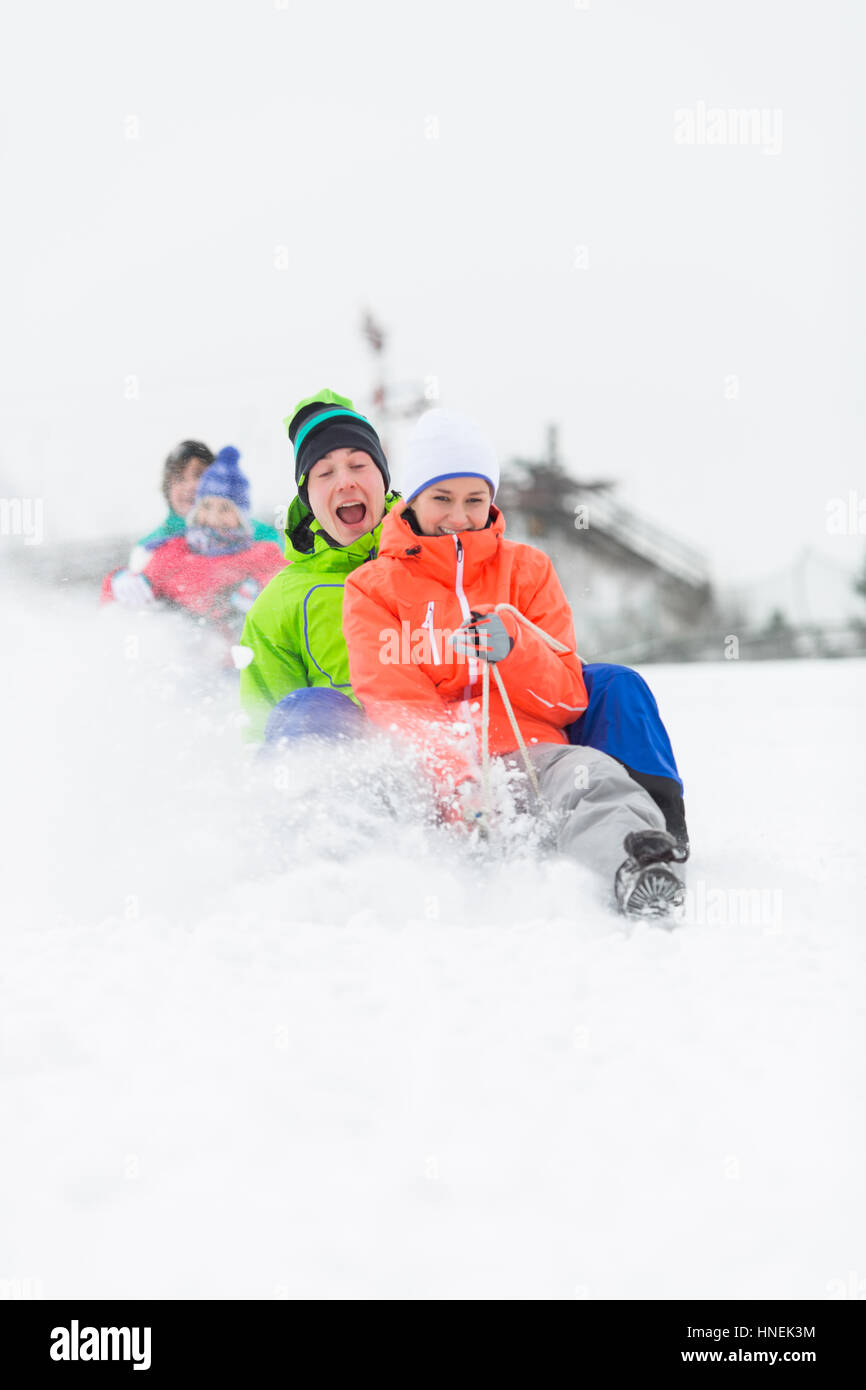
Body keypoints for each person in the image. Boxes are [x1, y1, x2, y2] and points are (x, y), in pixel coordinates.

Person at [341, 409, 688, 918]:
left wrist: (516, 649)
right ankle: (345, 881)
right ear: (412, 499)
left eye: (475, 500)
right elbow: (395, 701)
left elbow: (570, 694)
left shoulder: (527, 571)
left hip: (530, 753)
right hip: (435, 775)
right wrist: (457, 776)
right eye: (442, 498)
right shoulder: (374, 589)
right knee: (379, 795)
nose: (459, 515)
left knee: (593, 777)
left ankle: (638, 864)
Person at [237, 389, 402, 742]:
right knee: (313, 708)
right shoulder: (281, 602)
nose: (345, 482)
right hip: (350, 778)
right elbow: (264, 728)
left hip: (447, 767)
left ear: (383, 479)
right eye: (324, 473)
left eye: (359, 465)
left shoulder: (437, 562)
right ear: (308, 497)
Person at [101, 447, 286, 645]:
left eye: (225, 508)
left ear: (241, 517)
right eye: (206, 506)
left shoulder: (262, 549)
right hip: (190, 651)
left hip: (246, 652)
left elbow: (288, 579)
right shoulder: (172, 551)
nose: (213, 517)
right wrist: (117, 582)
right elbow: (132, 593)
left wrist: (262, 588)